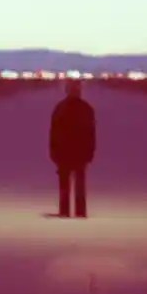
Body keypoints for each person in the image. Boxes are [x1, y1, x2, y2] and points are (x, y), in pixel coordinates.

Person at [50, 79, 96, 218]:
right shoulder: (85, 108)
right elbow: (91, 133)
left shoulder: (62, 107)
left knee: (69, 183)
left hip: (70, 151)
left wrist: (53, 151)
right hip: (73, 151)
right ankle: (77, 211)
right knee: (75, 183)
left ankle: (68, 211)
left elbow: (91, 133)